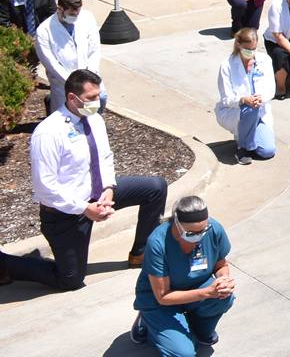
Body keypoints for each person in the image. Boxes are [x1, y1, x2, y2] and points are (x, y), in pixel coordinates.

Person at [0, 69, 167, 290]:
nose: (97, 102)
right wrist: (85, 209)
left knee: (155, 188)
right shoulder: (48, 133)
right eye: (91, 98)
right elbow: (44, 188)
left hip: (96, 194)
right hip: (66, 212)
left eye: (98, 96)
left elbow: (105, 156)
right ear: (72, 98)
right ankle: (5, 262)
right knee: (70, 280)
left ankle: (140, 253)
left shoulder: (94, 119)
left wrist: (108, 187)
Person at [128, 195, 236, 357]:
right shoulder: (158, 243)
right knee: (183, 354)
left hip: (196, 288)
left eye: (203, 230)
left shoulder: (214, 229)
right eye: (191, 233)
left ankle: (198, 330)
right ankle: (150, 323)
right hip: (160, 301)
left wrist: (223, 280)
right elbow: (163, 296)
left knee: (224, 298)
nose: (199, 236)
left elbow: (221, 265)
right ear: (176, 223)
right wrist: (207, 292)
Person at [214, 28, 276, 164]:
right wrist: (243, 100)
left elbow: (271, 90)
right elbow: (226, 99)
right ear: (238, 45)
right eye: (247, 49)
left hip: (259, 110)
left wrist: (262, 98)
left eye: (254, 49)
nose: (251, 53)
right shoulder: (227, 65)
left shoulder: (264, 60)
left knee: (268, 151)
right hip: (235, 111)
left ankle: (245, 136)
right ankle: (243, 149)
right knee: (249, 107)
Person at [35, 0, 102, 112]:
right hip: (63, 82)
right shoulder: (44, 30)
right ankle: (51, 102)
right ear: (60, 9)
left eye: (78, 12)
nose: (76, 16)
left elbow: (94, 48)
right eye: (72, 13)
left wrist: (90, 76)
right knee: (67, 115)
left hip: (87, 77)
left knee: (97, 103)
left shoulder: (87, 17)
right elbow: (50, 62)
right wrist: (73, 83)